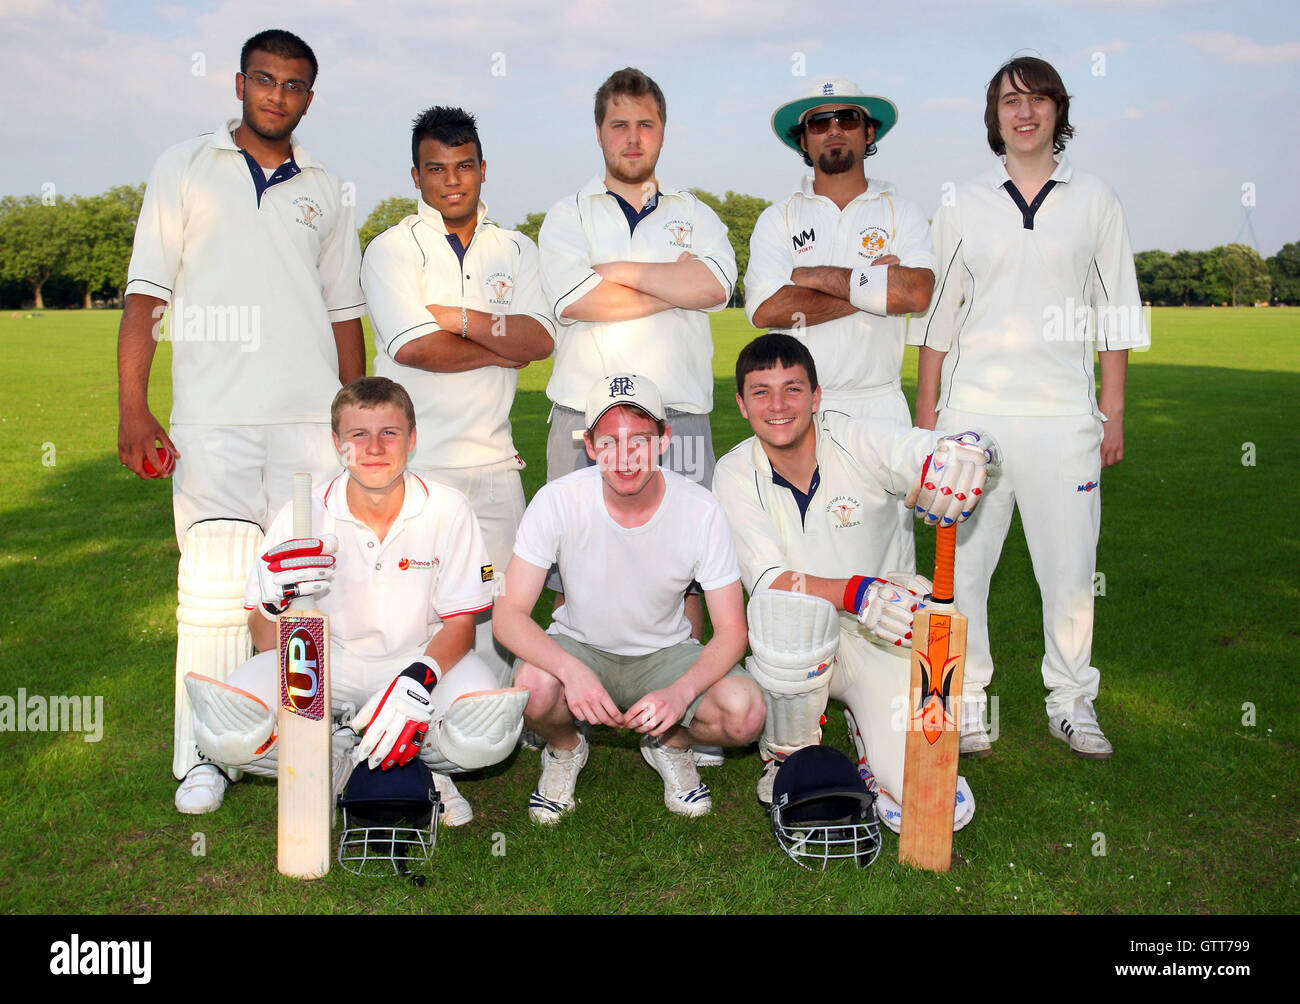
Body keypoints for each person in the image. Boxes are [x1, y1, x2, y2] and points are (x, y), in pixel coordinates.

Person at [116, 28, 366, 814]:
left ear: (309, 99)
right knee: (215, 591)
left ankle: (310, 739)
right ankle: (203, 757)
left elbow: (345, 314)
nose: (277, 95)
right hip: (213, 418)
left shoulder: (326, 188)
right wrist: (133, 409)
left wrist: (354, 423)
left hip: (306, 423)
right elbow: (144, 297)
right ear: (238, 83)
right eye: (265, 80)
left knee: (306, 588)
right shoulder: (184, 167)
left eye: (294, 85)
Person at [912, 56, 1148, 760]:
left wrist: (1112, 412)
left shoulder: (1095, 198)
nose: (1025, 112)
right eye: (1011, 101)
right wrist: (927, 420)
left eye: (1039, 100)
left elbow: (1115, 313)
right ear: (994, 116)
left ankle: (1072, 701)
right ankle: (972, 701)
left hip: (1063, 419)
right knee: (968, 571)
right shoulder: (962, 199)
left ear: (1057, 113)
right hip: (972, 417)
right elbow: (937, 315)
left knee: (1071, 573)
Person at [181, 377, 528, 827]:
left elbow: (461, 624)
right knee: (228, 731)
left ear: (413, 438)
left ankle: (419, 766)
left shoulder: (446, 508)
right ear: (336, 444)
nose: (374, 448)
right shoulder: (303, 513)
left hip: (420, 657)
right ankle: (336, 755)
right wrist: (269, 606)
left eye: (389, 433)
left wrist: (417, 680)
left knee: (485, 737)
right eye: (357, 435)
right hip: (327, 664)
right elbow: (268, 643)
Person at [713, 334, 997, 832]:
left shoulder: (859, 437)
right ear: (741, 403)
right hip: (802, 639)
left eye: (792, 389)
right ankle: (791, 753)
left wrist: (972, 450)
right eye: (761, 392)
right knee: (786, 613)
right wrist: (855, 592)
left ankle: (872, 737)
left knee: (931, 807)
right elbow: (769, 580)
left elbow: (932, 452)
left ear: (817, 396)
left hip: (884, 630)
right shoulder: (734, 471)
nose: (777, 406)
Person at [493, 374, 764, 823]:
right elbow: (509, 616)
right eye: (610, 442)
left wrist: (681, 693)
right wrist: (571, 670)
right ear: (592, 446)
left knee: (746, 714)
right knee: (532, 688)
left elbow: (733, 630)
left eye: (640, 440)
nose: (625, 457)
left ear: (664, 441)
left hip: (665, 654)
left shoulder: (701, 509)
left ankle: (671, 743)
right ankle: (565, 747)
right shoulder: (557, 499)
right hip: (581, 645)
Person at [537, 66, 737, 642]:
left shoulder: (695, 214)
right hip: (583, 417)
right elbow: (575, 300)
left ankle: (679, 723)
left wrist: (616, 274)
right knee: (571, 564)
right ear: (598, 132)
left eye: (645, 124)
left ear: (663, 131)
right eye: (618, 124)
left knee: (691, 568)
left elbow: (715, 287)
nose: (632, 137)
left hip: (680, 416)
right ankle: (570, 717)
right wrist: (669, 282)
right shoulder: (567, 215)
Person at [361, 105, 555, 687]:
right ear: (416, 176)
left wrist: (456, 316)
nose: (452, 180)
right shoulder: (391, 248)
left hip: (494, 463)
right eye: (436, 168)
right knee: (418, 611)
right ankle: (409, 730)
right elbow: (415, 348)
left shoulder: (518, 249)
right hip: (418, 463)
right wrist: (502, 341)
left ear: (483, 169)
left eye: (463, 165)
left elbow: (541, 338)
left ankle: (483, 726)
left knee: (502, 609)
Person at [746, 77, 937, 570]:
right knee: (803, 552)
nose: (835, 130)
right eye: (819, 122)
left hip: (877, 403)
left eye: (848, 118)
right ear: (802, 139)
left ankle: (888, 648)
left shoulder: (903, 211)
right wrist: (876, 286)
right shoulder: (778, 218)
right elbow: (767, 309)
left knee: (887, 562)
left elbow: (914, 292)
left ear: (869, 133)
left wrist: (811, 277)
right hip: (796, 409)